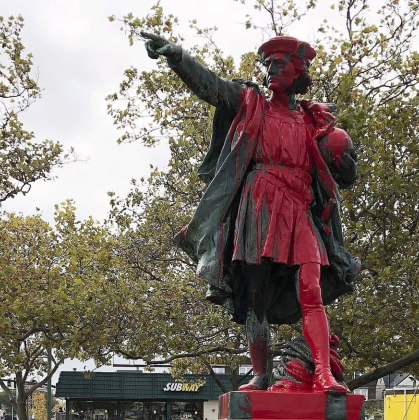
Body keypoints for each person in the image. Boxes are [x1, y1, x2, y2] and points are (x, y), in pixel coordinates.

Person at [139, 31, 362, 393]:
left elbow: (338, 173)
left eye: (279, 64)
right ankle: (261, 375)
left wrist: (347, 167)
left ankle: (323, 373)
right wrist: (178, 57)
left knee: (311, 287)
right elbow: (210, 87)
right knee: (254, 294)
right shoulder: (250, 102)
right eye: (268, 64)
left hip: (298, 208)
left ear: (298, 71)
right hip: (259, 203)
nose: (271, 69)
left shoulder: (314, 121)